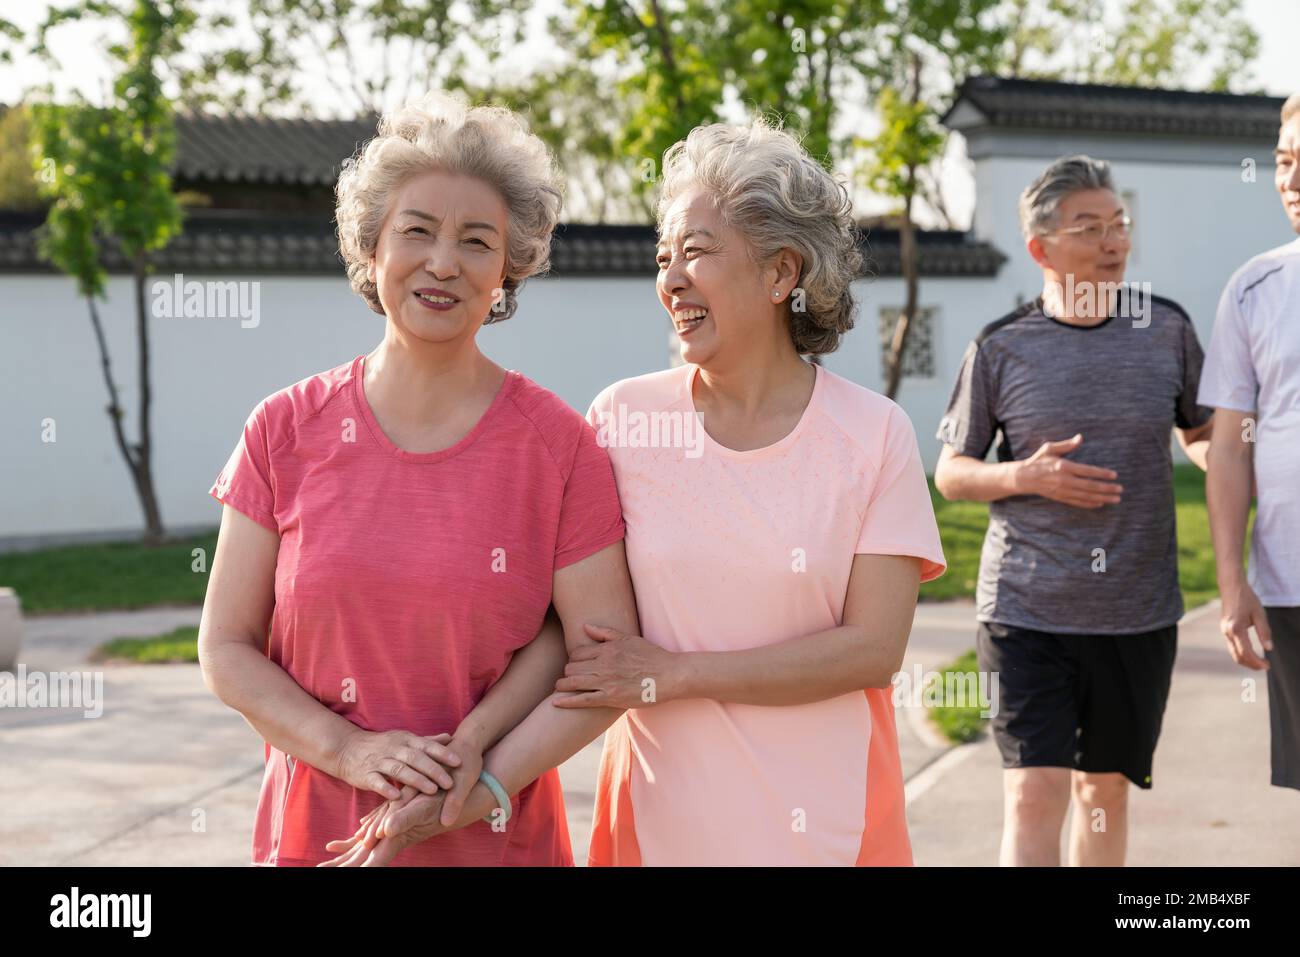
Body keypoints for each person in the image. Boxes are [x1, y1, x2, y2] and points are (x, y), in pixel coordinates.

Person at [198, 91, 639, 867]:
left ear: (509, 269)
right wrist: (349, 750)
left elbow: (599, 659)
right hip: (318, 841)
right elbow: (227, 647)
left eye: (477, 240)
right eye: (417, 231)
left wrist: (479, 774)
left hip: (499, 842)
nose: (443, 262)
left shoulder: (561, 445)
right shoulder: (282, 430)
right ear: (372, 248)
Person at [535, 117, 945, 866]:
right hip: (657, 826)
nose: (670, 278)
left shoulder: (874, 433)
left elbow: (873, 650)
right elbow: (573, 633)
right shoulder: (622, 419)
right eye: (664, 257)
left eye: (695, 251)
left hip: (834, 825)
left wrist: (676, 672)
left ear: (781, 273)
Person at [934, 155, 1213, 866]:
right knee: (1034, 793)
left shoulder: (1168, 329)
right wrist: (1026, 475)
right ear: (1041, 248)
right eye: (1089, 227)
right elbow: (952, 474)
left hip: (1135, 611)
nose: (1114, 241)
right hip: (1027, 609)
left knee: (1103, 793)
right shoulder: (1001, 347)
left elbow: (1205, 434)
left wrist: (1248, 463)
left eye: (1119, 224)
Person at [1199, 91, 1300, 794]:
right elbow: (1229, 448)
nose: (1292, 181)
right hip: (1290, 581)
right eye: (1284, 162)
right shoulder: (1254, 288)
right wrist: (1233, 586)